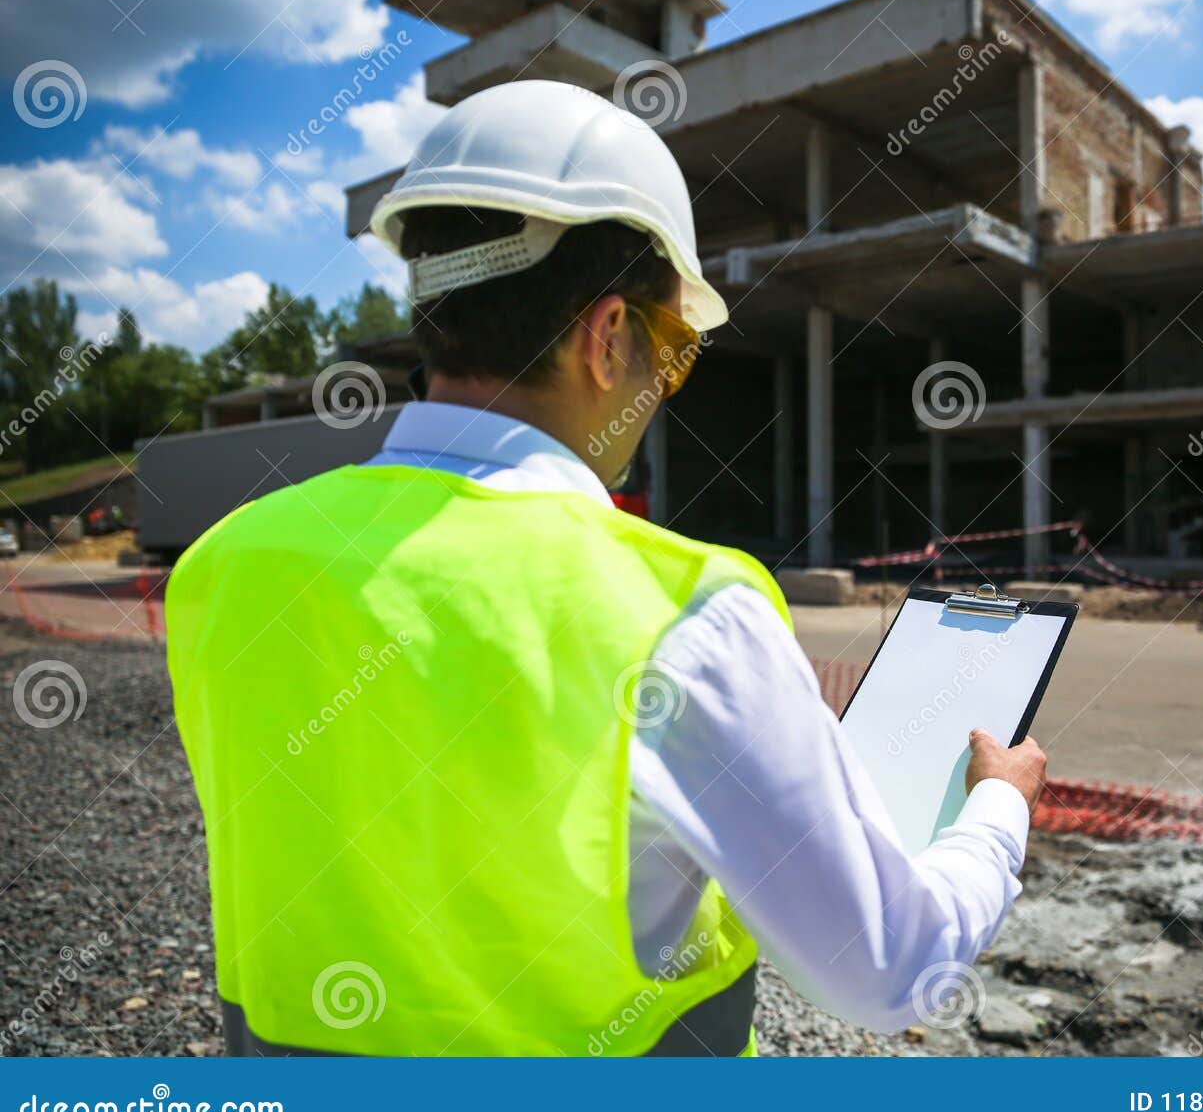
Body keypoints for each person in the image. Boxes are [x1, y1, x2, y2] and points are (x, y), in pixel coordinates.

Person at [165, 80, 1047, 1057]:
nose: (666, 383)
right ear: (610, 336)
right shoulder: (681, 613)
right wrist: (998, 802)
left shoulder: (228, 561)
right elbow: (889, 968)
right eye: (672, 351)